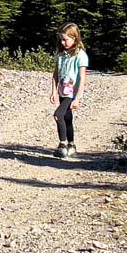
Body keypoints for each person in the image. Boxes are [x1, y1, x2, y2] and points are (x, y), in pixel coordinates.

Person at [50, 23, 89, 158]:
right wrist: (54, 91)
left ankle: (62, 145)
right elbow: (56, 74)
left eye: (66, 39)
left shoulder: (80, 55)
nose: (63, 42)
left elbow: (83, 78)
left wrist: (78, 98)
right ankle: (72, 145)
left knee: (58, 115)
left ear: (75, 38)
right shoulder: (61, 54)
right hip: (62, 91)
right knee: (67, 118)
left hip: (71, 93)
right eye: (61, 39)